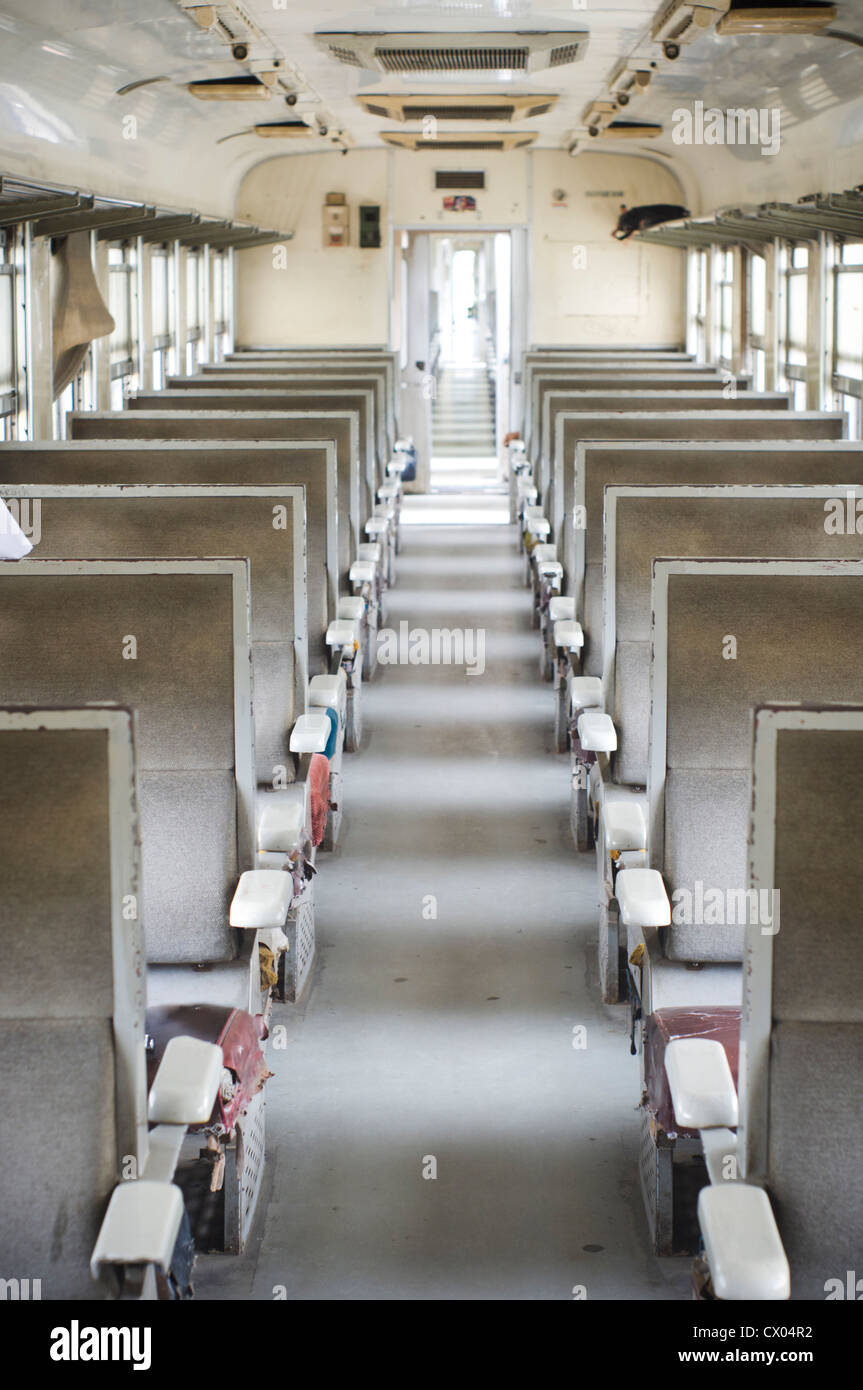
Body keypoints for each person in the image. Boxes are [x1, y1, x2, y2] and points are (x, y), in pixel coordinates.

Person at [611, 203, 689, 240]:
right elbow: (623, 208)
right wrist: (618, 234)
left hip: (644, 217)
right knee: (662, 210)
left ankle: (681, 214)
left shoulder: (625, 226)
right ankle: (681, 212)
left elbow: (629, 232)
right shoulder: (622, 220)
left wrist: (620, 237)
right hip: (642, 213)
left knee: (662, 216)